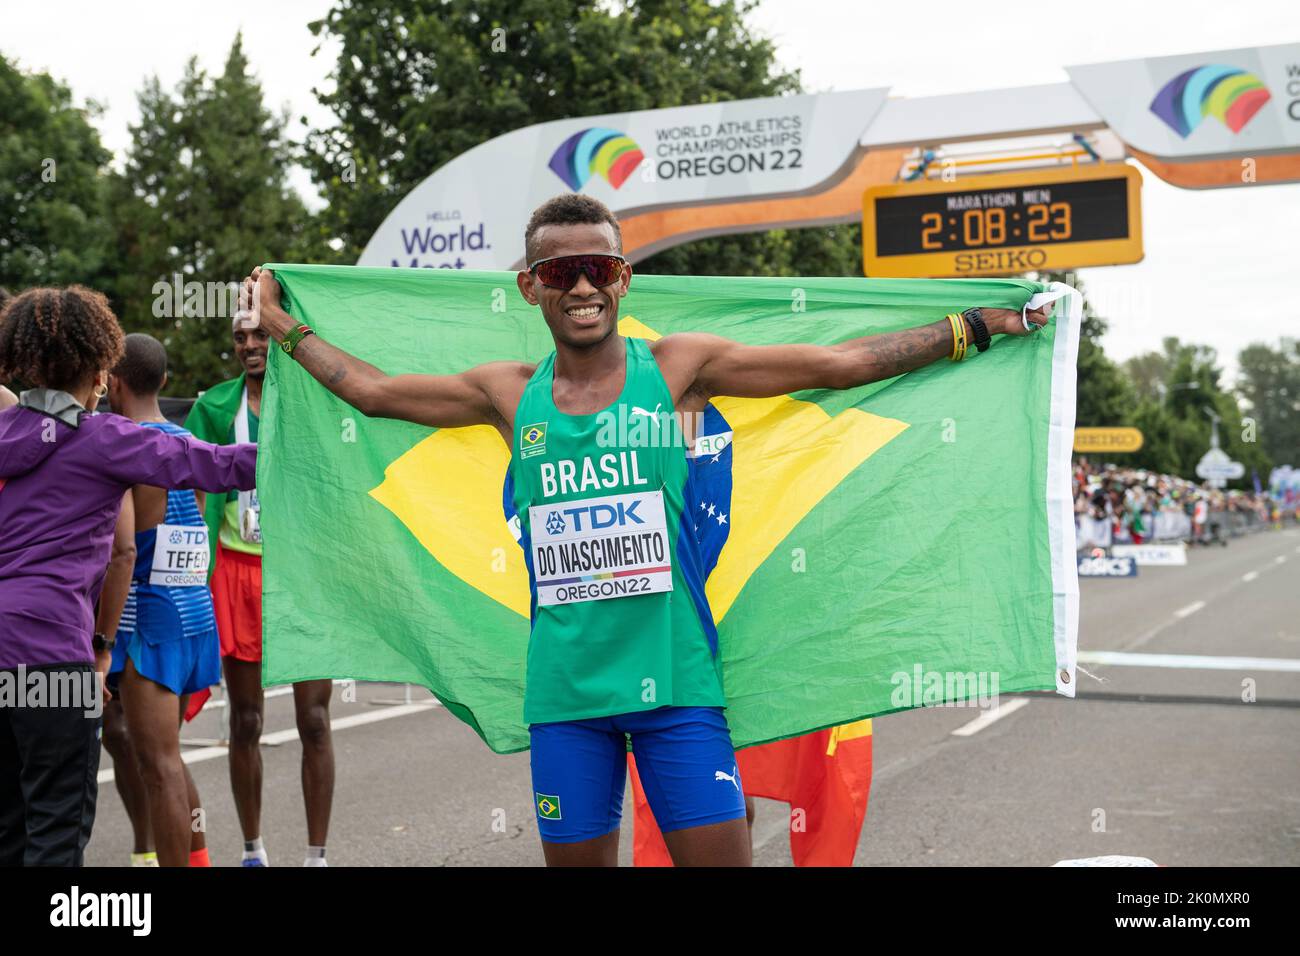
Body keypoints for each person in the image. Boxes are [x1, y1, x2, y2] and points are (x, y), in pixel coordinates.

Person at [239, 193, 1052, 867]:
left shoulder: (677, 370)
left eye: (603, 267)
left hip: (678, 692)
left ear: (624, 278)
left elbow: (836, 367)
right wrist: (278, 324)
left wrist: (977, 325)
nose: (585, 285)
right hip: (566, 700)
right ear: (532, 287)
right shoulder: (505, 392)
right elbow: (375, 393)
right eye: (563, 270)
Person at [0, 285, 256, 866]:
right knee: (56, 833)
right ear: (98, 369)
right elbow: (213, 465)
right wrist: (298, 451)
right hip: (53, 660)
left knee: (10, 831)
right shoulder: (104, 439)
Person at [186, 316, 334, 867]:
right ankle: (253, 850)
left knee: (315, 720)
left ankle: (316, 856)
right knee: (245, 720)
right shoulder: (216, 409)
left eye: (260, 335)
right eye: (240, 338)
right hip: (238, 575)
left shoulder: (311, 402)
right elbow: (197, 498)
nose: (250, 345)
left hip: (302, 575)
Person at [101, 334, 223, 867]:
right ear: (166, 383)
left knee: (159, 768)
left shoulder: (128, 449)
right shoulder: (187, 438)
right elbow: (193, 529)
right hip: (195, 611)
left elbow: (122, 551)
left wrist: (102, 637)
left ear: (112, 382)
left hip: (151, 621)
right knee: (169, 761)